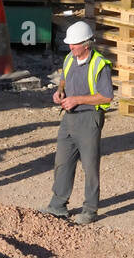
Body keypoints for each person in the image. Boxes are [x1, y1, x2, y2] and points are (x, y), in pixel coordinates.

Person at [43, 20, 113, 226]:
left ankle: (90, 210)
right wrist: (60, 92)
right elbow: (64, 78)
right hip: (69, 118)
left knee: (90, 166)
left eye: (74, 44)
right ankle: (58, 206)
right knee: (62, 162)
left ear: (86, 44)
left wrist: (77, 99)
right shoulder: (69, 58)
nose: (71, 47)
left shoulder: (100, 65)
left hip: (89, 118)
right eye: (70, 44)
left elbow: (106, 97)